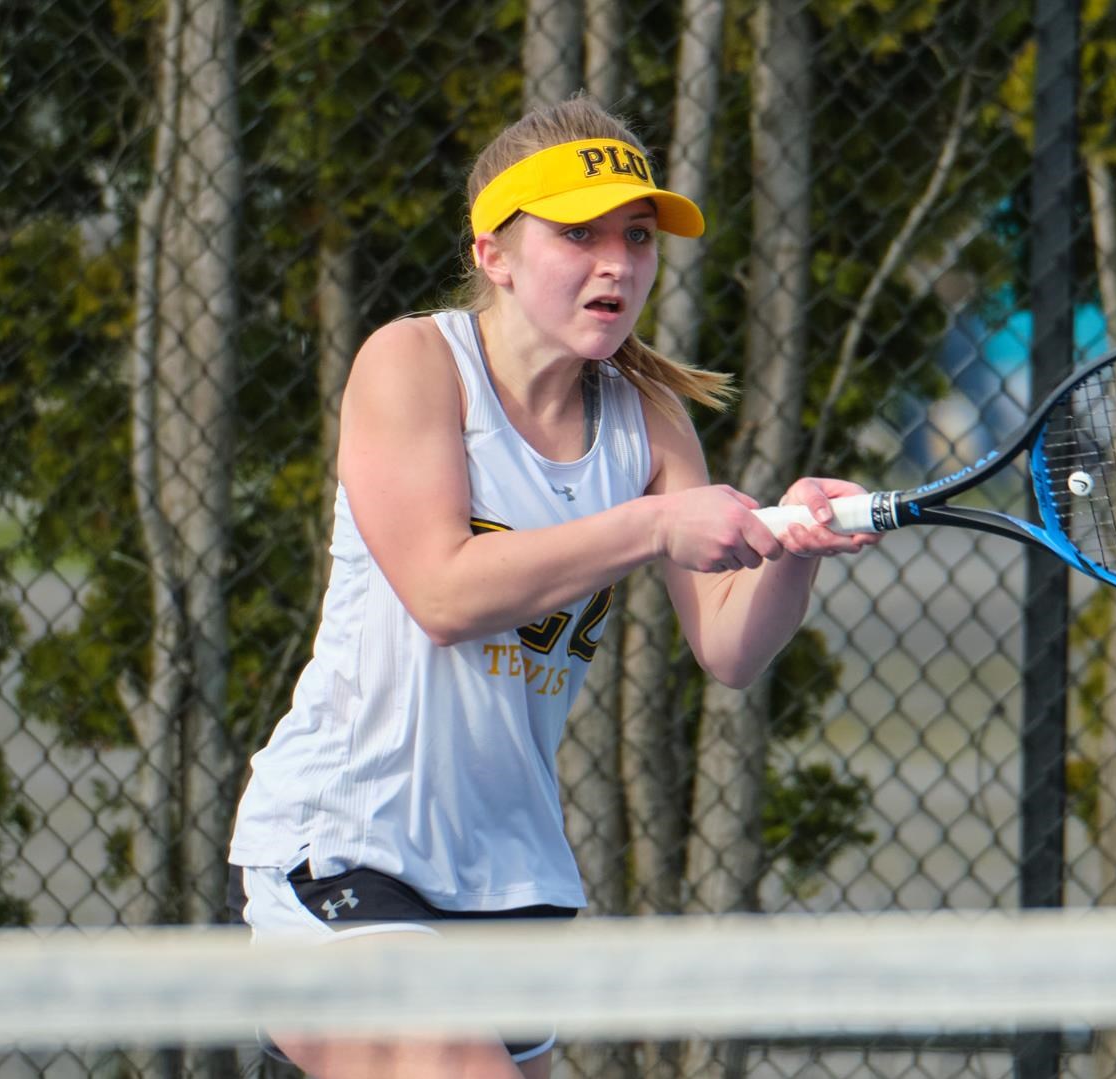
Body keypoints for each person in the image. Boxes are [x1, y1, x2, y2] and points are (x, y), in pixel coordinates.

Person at [225, 94, 880, 1079]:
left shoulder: (650, 418)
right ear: (495, 251)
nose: (617, 261)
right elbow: (443, 594)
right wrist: (655, 522)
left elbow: (731, 649)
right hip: (346, 846)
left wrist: (789, 547)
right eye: (578, 232)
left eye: (636, 234)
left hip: (509, 881)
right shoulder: (412, 364)